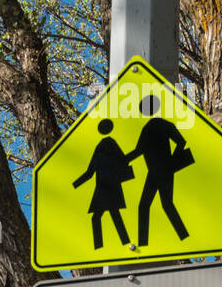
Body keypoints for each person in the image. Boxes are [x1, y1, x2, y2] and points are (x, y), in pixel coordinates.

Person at [126, 94, 192, 247]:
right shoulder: (154, 126)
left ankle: (146, 243)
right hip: (157, 171)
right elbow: (139, 151)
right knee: (161, 205)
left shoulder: (156, 126)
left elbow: (181, 142)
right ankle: (181, 237)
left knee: (154, 205)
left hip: (160, 171)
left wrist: (171, 163)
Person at [72, 119, 134, 250]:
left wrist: (74, 185)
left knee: (102, 217)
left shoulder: (102, 147)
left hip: (106, 188)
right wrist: (73, 185)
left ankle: (103, 246)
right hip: (107, 187)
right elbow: (123, 161)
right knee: (111, 215)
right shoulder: (108, 145)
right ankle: (123, 243)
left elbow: (90, 172)